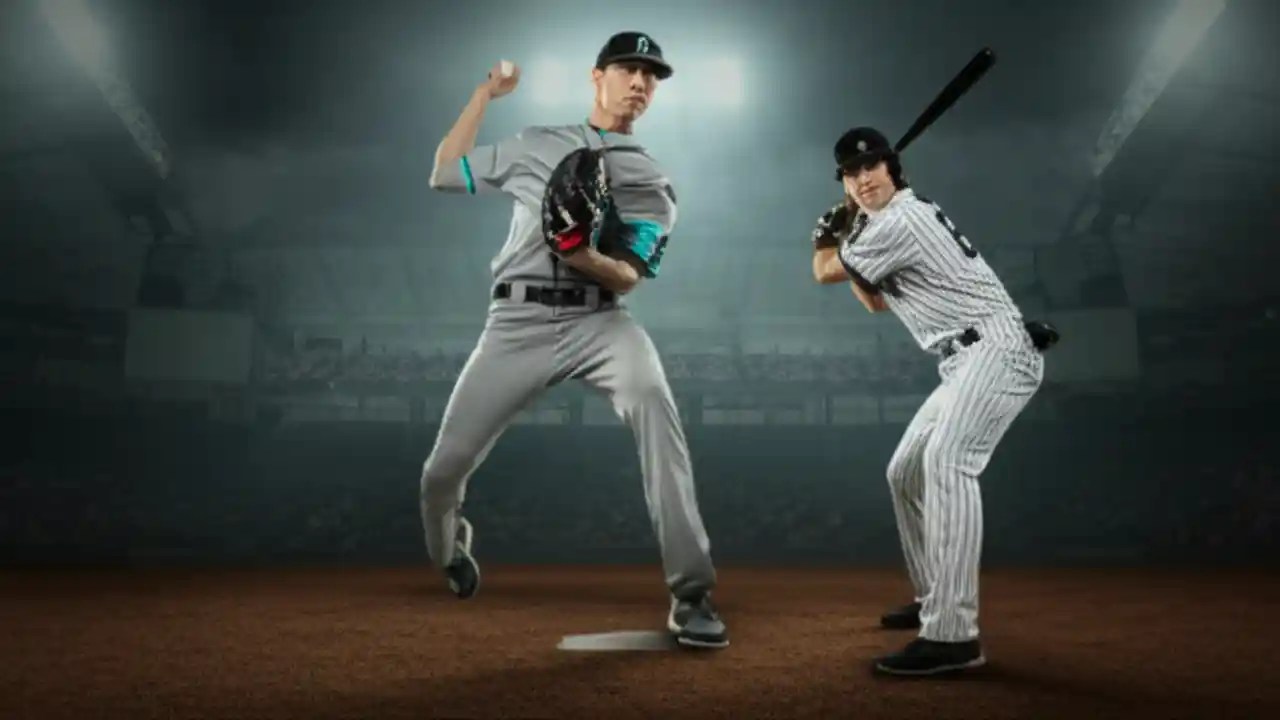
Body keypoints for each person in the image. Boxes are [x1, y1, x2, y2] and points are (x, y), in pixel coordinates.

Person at [421, 31, 727, 649]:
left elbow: (629, 276)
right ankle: (449, 549)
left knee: (655, 407)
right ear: (597, 75)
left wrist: (580, 254)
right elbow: (445, 173)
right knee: (440, 472)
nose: (640, 82)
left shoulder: (652, 182)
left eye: (651, 75)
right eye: (628, 68)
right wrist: (484, 95)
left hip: (601, 322)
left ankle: (692, 594)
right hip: (515, 324)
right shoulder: (536, 143)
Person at [810, 127, 1049, 675]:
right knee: (905, 472)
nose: (863, 178)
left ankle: (953, 635)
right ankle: (931, 598)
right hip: (965, 359)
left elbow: (824, 272)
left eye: (872, 166)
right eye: (851, 173)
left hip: (994, 349)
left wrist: (827, 239)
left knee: (947, 462)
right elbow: (874, 302)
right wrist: (852, 235)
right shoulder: (881, 224)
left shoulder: (902, 219)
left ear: (893, 169)